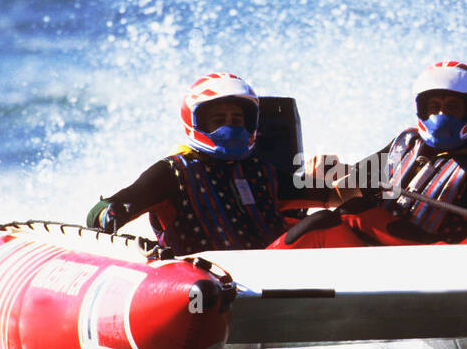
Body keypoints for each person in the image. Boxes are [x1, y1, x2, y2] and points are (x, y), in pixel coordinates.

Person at [269, 61, 467, 249]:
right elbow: (349, 193)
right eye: (434, 107)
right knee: (318, 220)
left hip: (440, 264)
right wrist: (335, 171)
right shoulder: (405, 144)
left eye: (452, 107)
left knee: (349, 214)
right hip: (378, 254)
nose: (441, 116)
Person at [87, 72, 340, 254]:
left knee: (347, 214)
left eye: (237, 119)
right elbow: (101, 211)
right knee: (319, 225)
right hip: (208, 282)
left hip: (272, 272)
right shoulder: (172, 172)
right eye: (219, 119)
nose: (230, 126)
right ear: (197, 123)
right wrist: (109, 214)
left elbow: (335, 195)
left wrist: (349, 175)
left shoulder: (261, 171)